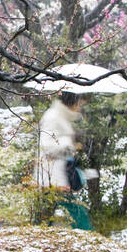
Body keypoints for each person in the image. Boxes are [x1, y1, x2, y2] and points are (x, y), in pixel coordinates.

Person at [34, 91, 92, 229]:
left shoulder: (60, 116)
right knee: (77, 213)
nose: (79, 109)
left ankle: (36, 237)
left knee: (44, 216)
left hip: (56, 176)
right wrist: (69, 143)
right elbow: (45, 145)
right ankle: (89, 238)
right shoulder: (54, 117)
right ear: (71, 102)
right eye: (79, 105)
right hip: (53, 176)